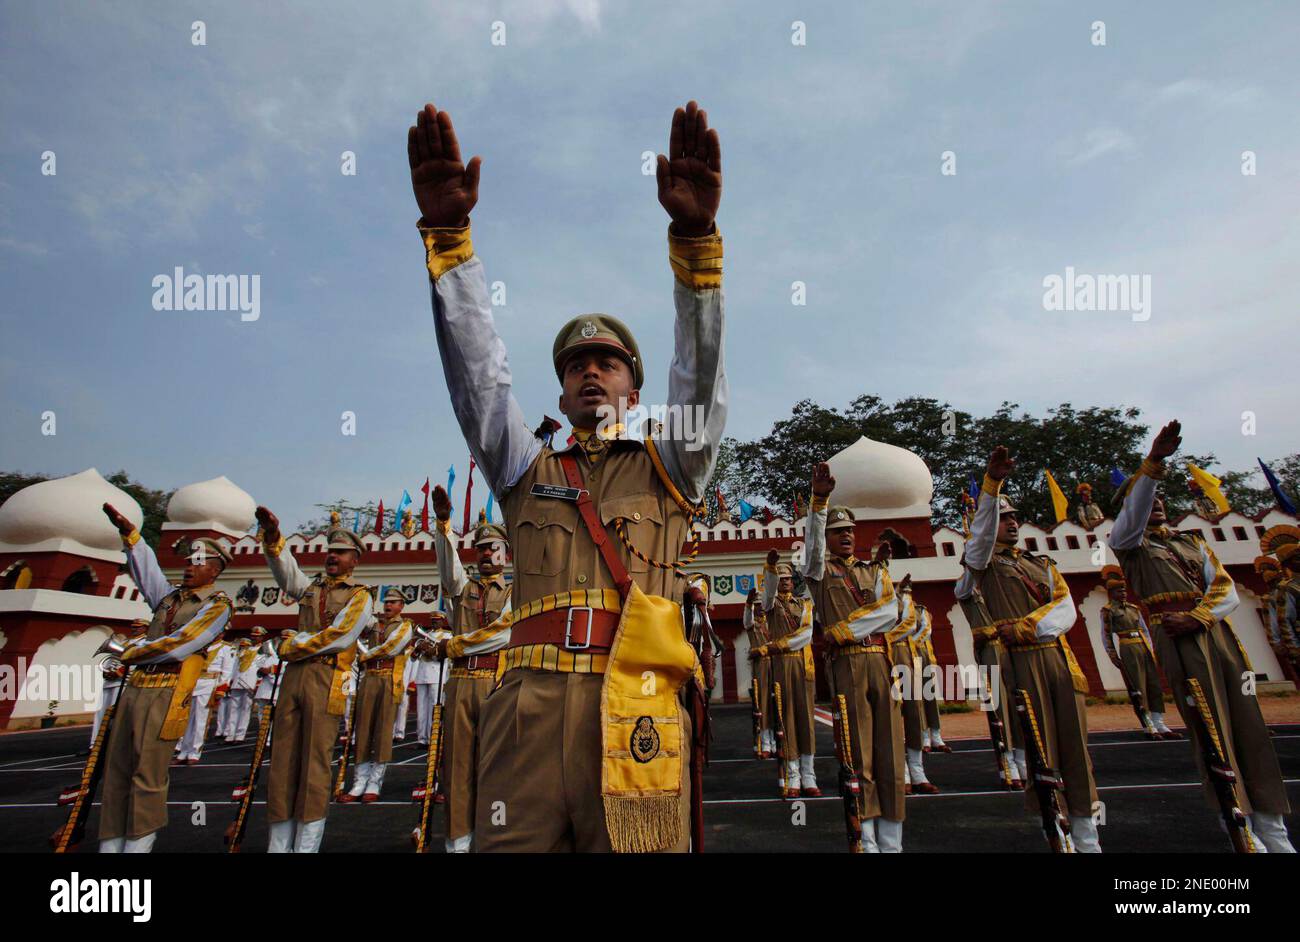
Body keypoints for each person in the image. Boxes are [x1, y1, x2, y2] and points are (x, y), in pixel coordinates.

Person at [411, 97, 724, 851]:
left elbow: (701, 374)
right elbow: (478, 379)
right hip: (526, 707)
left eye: (607, 363)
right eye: (576, 365)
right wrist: (451, 244)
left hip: (637, 701)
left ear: (634, 392)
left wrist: (695, 245)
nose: (590, 371)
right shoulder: (525, 463)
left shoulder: (674, 461)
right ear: (558, 395)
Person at [1110, 421, 1293, 853]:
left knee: (1249, 727)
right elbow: (1134, 512)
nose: (1156, 503)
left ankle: (1274, 829)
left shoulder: (1192, 543)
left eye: (1160, 497)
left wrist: (1199, 616)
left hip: (1213, 631)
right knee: (1211, 729)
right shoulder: (1128, 541)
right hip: (1177, 637)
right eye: (1147, 498)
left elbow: (1225, 588)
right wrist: (1153, 463)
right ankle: (1239, 824)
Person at [955, 448, 1101, 852]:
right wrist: (991, 485)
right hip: (1020, 662)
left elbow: (1066, 607)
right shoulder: (982, 564)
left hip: (1057, 657)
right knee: (1040, 748)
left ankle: (1088, 838)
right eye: (1004, 518)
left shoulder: (1042, 564)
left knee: (1077, 751)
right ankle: (1054, 829)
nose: (1012, 523)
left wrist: (1027, 626)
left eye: (1014, 517)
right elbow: (979, 541)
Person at [95, 503, 233, 852]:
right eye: (188, 560)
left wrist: (130, 652)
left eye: (198, 562)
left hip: (168, 692)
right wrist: (131, 536)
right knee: (116, 772)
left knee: (148, 774)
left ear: (215, 570)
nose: (189, 566)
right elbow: (147, 573)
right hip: (135, 688)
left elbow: (181, 645)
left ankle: (138, 846)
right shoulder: (168, 598)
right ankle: (110, 845)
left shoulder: (216, 606)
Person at [255, 507, 372, 853]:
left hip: (327, 676)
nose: (332, 557)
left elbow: (341, 636)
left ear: (355, 560)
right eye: (330, 551)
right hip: (294, 678)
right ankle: (278, 846)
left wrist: (293, 644)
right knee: (282, 763)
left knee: (314, 765)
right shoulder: (310, 589)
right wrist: (273, 539)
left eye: (341, 553)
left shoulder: (360, 595)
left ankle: (305, 847)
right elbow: (286, 572)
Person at [801, 464, 905, 852]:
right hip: (847, 664)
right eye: (837, 531)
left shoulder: (873, 572)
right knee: (857, 752)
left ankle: (892, 842)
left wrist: (845, 628)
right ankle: (868, 839)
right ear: (827, 537)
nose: (846, 536)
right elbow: (812, 546)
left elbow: (891, 610)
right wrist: (819, 501)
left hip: (881, 660)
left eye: (850, 531)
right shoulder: (818, 571)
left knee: (890, 751)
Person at [428, 488, 513, 852]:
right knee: (456, 769)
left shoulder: (514, 593)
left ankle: (493, 840)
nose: (486, 554)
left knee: (497, 769)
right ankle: (458, 845)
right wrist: (444, 526)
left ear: (507, 554)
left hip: (497, 684)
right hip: (460, 683)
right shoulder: (462, 590)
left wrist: (453, 645)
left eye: (493, 548)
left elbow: (503, 633)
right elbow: (448, 569)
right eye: (480, 549)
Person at [752, 551, 818, 798]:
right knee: (786, 717)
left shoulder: (805, 605)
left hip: (803, 663)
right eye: (781, 579)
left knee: (806, 719)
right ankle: (793, 775)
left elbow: (807, 633)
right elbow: (768, 593)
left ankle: (809, 774)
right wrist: (770, 567)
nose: (785, 582)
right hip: (782, 664)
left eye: (788, 578)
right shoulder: (771, 605)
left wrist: (779, 644)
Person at [340, 587, 413, 802]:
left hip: (389, 679)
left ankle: (374, 782)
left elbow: (391, 648)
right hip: (369, 678)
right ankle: (359, 781)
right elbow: (354, 622)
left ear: (401, 606)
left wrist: (366, 656)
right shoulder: (374, 623)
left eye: (393, 602)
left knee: (383, 730)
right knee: (362, 729)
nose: (388, 605)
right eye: (386, 602)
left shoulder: (405, 626)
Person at [1098, 566, 1175, 739]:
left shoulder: (1134, 609)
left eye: (1124, 591)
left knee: (1154, 685)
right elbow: (1106, 635)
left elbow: (1144, 630)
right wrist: (1113, 655)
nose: (1123, 594)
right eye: (1119, 591)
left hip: (1142, 646)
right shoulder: (1109, 611)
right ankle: (1149, 726)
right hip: (1128, 647)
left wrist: (1150, 649)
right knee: (1138, 688)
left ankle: (1160, 724)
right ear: (1111, 593)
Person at [742, 588, 775, 758]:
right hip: (760, 665)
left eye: (761, 604)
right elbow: (747, 618)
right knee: (762, 704)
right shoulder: (752, 625)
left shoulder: (773, 622)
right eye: (757, 605)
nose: (760, 608)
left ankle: (776, 741)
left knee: (776, 703)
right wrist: (748, 604)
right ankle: (765, 741)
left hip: (775, 664)